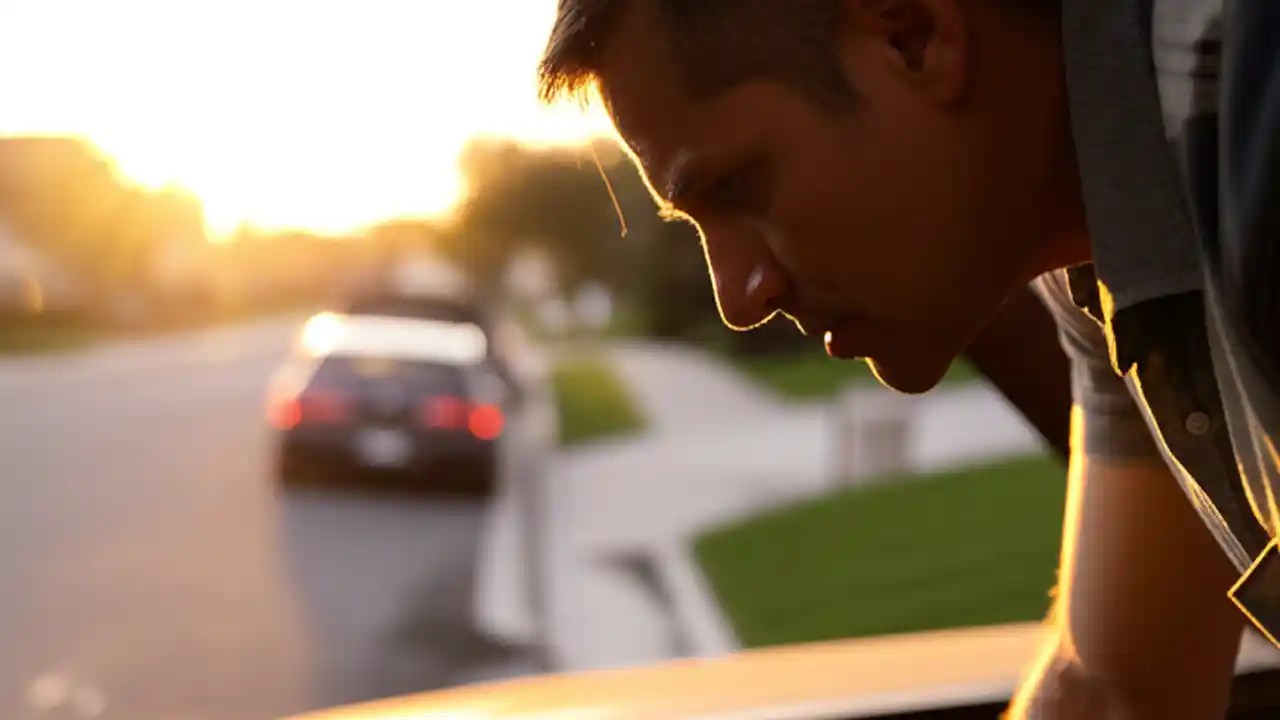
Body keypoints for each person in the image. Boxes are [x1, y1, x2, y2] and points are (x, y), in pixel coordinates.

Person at [536, 1, 1280, 717]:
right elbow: (1112, 691)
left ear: (913, 37)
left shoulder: (1254, 124)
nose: (739, 297)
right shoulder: (1090, 244)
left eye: (735, 188)